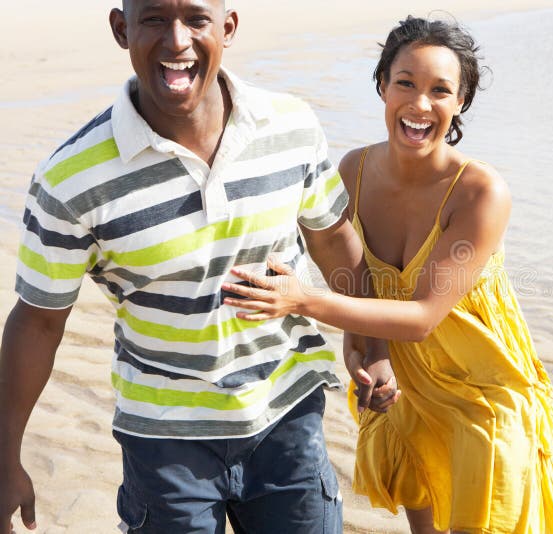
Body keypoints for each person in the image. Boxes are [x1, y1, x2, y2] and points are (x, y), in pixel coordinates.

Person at [0, 1, 396, 533]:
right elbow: (38, 320)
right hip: (164, 444)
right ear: (123, 30)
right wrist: (5, 456)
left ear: (228, 28)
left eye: (196, 19)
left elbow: (333, 240)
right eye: (156, 20)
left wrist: (373, 348)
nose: (178, 40)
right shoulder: (70, 178)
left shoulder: (291, 126)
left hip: (288, 418)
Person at [222, 15, 553, 534]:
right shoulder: (353, 171)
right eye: (406, 84)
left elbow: (421, 316)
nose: (420, 105)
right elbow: (353, 277)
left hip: (481, 393)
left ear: (461, 102)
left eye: (441, 91)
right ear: (381, 87)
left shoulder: (481, 193)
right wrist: (364, 352)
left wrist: (301, 301)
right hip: (403, 386)